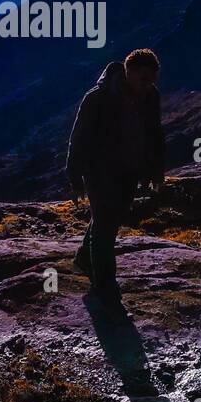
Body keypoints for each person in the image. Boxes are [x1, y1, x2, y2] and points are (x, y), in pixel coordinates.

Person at [66, 48, 165, 318]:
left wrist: (156, 170)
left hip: (129, 170)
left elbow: (155, 133)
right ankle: (105, 287)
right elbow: (79, 138)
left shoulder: (150, 97)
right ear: (128, 72)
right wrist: (75, 178)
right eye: (144, 79)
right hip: (99, 171)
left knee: (112, 218)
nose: (148, 85)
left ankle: (84, 259)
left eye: (152, 80)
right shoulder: (97, 98)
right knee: (105, 225)